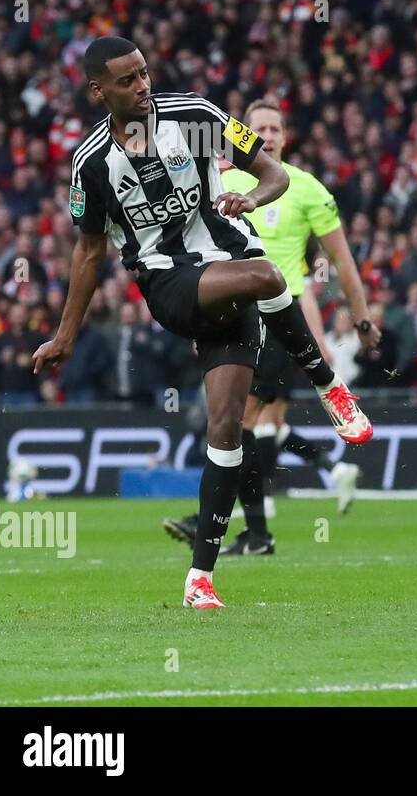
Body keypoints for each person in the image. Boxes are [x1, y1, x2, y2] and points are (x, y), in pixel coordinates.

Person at [33, 36, 369, 610]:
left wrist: (254, 198)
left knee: (227, 427)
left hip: (228, 263)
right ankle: (327, 384)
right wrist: (65, 334)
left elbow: (273, 174)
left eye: (144, 73)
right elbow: (88, 252)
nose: (142, 85)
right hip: (169, 282)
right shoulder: (90, 164)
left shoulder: (197, 116)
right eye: (127, 80)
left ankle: (200, 578)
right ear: (98, 90)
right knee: (268, 276)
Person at [161, 99, 382, 555]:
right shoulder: (219, 176)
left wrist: (360, 317)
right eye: (259, 127)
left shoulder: (306, 188)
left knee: (244, 420)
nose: (269, 135)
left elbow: (342, 260)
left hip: (284, 317)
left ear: (285, 135)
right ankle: (254, 525)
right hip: (232, 310)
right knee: (250, 424)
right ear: (245, 131)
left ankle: (244, 526)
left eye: (275, 128)